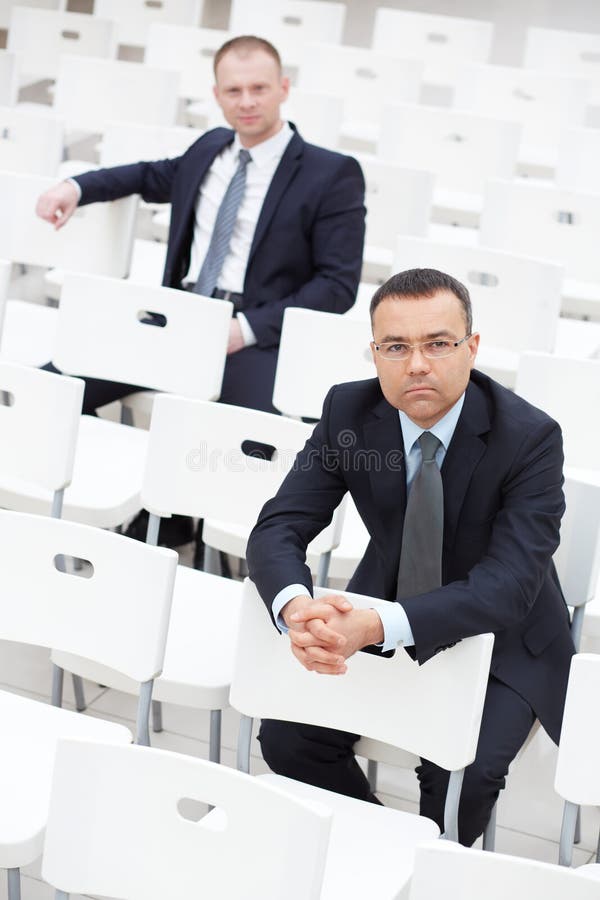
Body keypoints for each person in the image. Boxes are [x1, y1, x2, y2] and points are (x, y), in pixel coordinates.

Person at [246, 267, 574, 846]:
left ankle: (428, 862)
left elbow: (506, 587)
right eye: (396, 347)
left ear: (471, 348)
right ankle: (384, 847)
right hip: (387, 602)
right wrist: (296, 609)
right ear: (375, 352)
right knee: (287, 740)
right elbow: (280, 525)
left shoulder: (530, 437)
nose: (417, 364)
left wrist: (376, 625)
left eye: (438, 344)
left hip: (504, 636)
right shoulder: (349, 411)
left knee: (458, 779)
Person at [35, 35, 365, 416]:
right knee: (45, 393)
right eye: (233, 90)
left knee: (249, 441)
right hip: (178, 318)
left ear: (283, 88)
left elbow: (337, 285)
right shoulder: (210, 148)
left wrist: (246, 329)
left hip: (256, 338)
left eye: (259, 88)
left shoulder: (331, 173)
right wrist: (75, 187)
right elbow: (147, 175)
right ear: (217, 95)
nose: (246, 102)